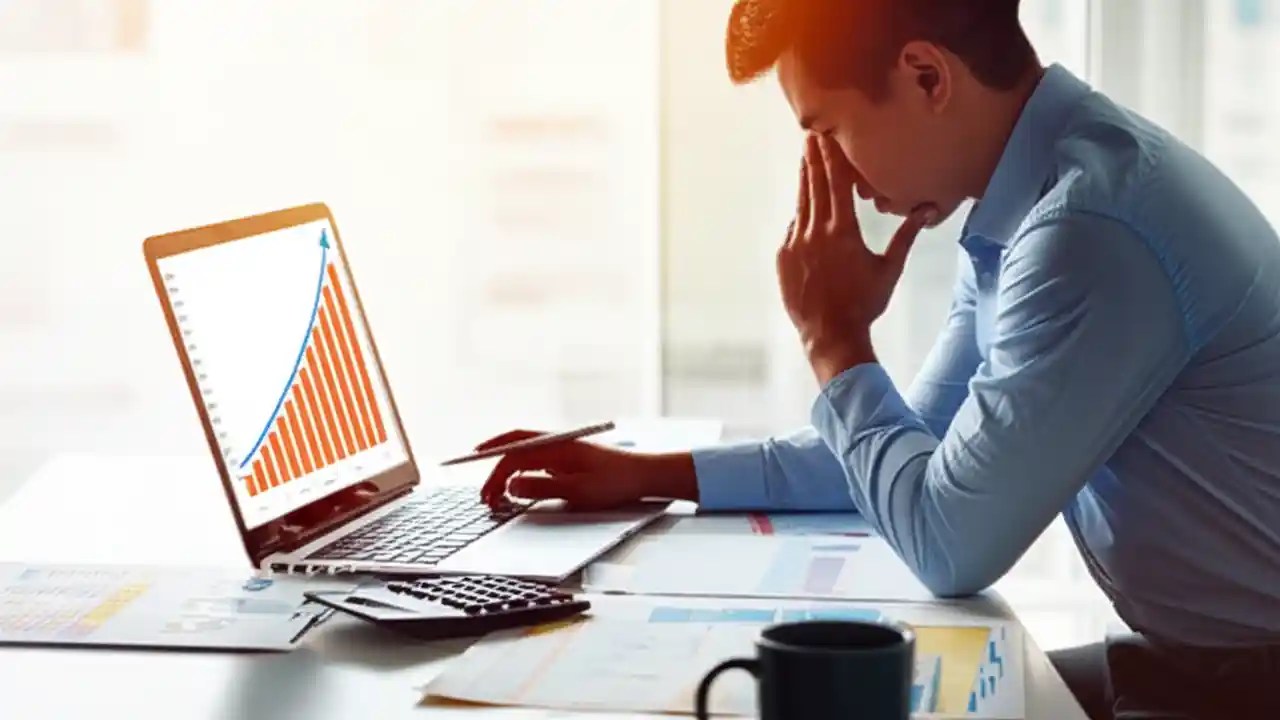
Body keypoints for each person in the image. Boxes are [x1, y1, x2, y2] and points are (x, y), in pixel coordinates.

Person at [475, 1, 1280, 717]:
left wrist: (834, 339)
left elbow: (949, 542)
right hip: (1191, 665)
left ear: (927, 76)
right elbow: (903, 456)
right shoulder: (1029, 203)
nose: (836, 177)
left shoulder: (1085, 232)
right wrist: (647, 473)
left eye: (827, 131)